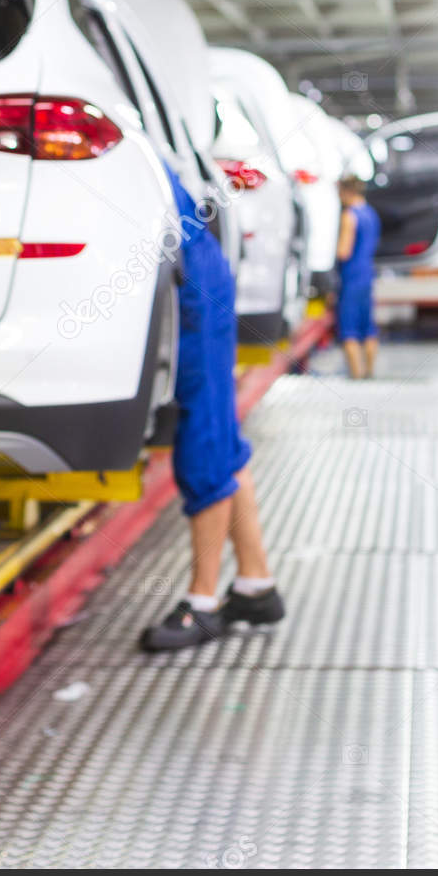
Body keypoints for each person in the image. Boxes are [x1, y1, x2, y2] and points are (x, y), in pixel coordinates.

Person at [140, 164, 284, 652]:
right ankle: (255, 585)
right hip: (197, 272)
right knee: (220, 436)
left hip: (190, 285)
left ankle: (202, 605)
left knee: (202, 441)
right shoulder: (152, 148)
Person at [334, 175, 380, 379]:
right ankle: (369, 371)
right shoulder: (370, 213)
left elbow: (344, 251)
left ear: (346, 191)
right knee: (368, 327)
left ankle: (356, 376)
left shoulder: (349, 216)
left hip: (351, 276)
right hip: (367, 273)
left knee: (349, 328)